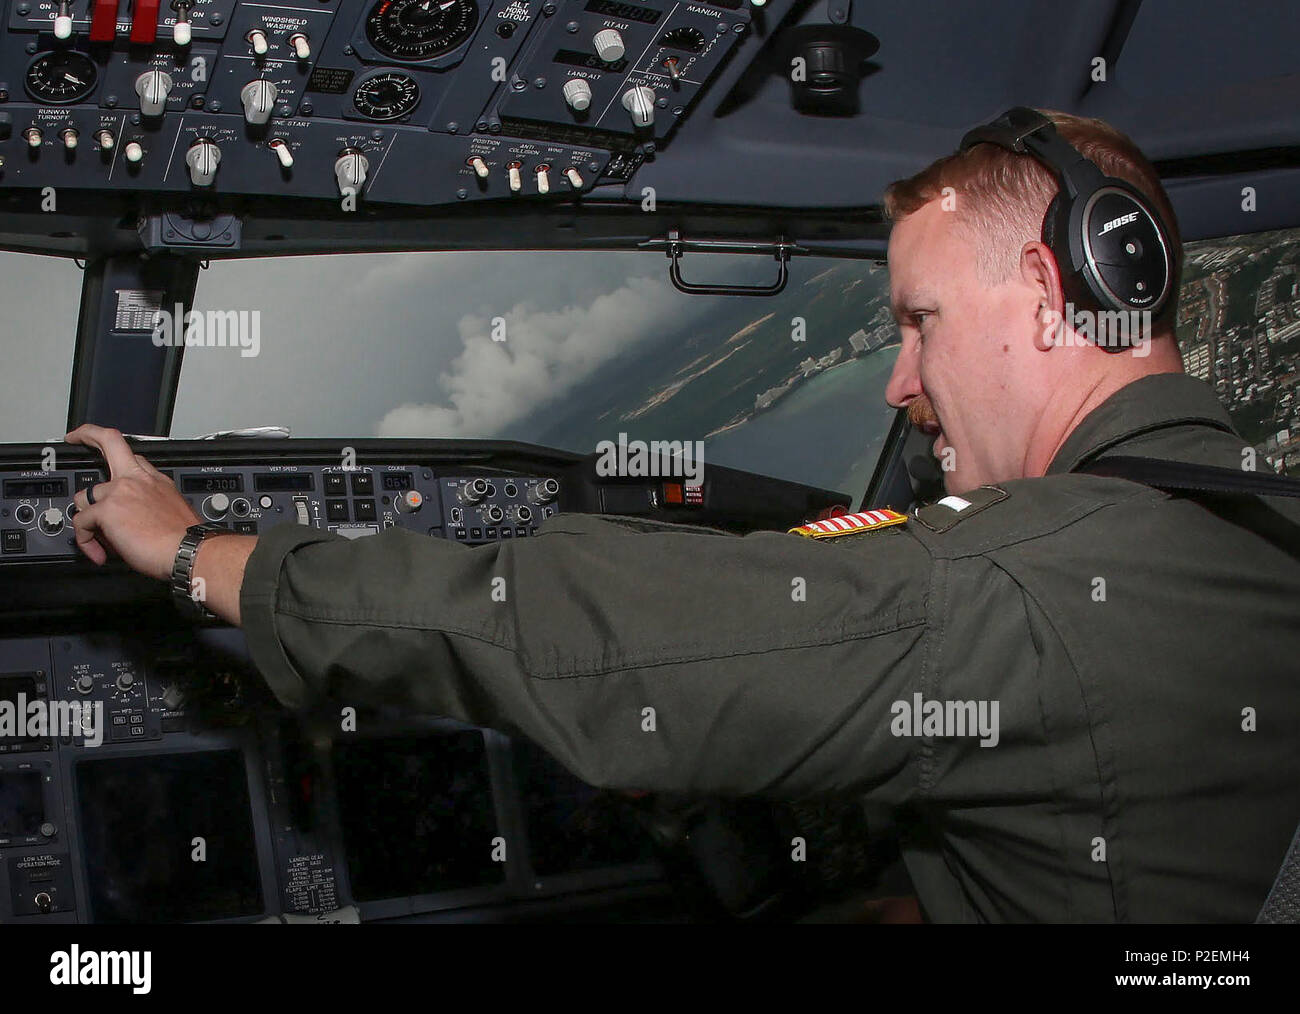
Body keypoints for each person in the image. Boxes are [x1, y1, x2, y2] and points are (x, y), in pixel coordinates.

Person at [64, 108, 1300, 923]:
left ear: (1044, 292)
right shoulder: (1256, 527)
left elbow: (589, 641)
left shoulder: (1014, 586)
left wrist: (196, 553)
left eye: (917, 321)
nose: (899, 382)